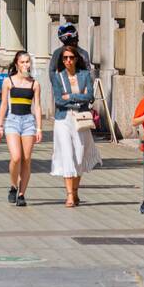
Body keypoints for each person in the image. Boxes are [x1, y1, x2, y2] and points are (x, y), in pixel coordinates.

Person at [50, 44, 101, 206]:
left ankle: (76, 191)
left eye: (71, 58)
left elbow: (90, 97)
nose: (68, 61)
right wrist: (79, 96)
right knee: (67, 154)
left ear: (76, 59)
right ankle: (69, 195)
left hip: (80, 119)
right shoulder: (58, 77)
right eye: (65, 58)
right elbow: (58, 100)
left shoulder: (85, 75)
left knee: (79, 155)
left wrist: (70, 96)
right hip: (63, 120)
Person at [0, 51, 43, 205]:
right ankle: (13, 186)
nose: (25, 65)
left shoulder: (34, 84)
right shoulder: (9, 81)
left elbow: (37, 107)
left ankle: (22, 194)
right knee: (16, 157)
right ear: (16, 64)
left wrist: (39, 128)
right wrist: (0, 126)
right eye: (22, 62)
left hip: (28, 122)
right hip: (12, 121)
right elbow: (3, 104)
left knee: (27, 159)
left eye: (27, 61)